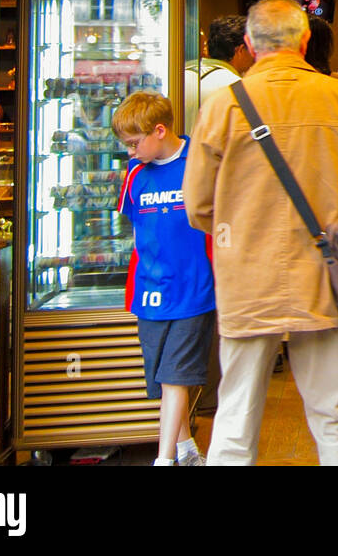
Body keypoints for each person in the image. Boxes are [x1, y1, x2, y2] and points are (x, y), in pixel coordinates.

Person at [182, 0, 338, 466]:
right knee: (333, 413)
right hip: (321, 278)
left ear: (250, 44)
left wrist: (239, 229)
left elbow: (196, 206)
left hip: (244, 281)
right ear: (305, 40)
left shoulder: (222, 106)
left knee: (234, 419)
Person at [111, 91, 215, 467]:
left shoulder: (199, 163)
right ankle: (186, 449)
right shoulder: (136, 174)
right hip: (150, 292)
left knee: (175, 377)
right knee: (161, 380)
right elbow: (135, 229)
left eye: (135, 143)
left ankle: (163, 459)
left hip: (195, 290)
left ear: (159, 130)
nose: (131, 152)